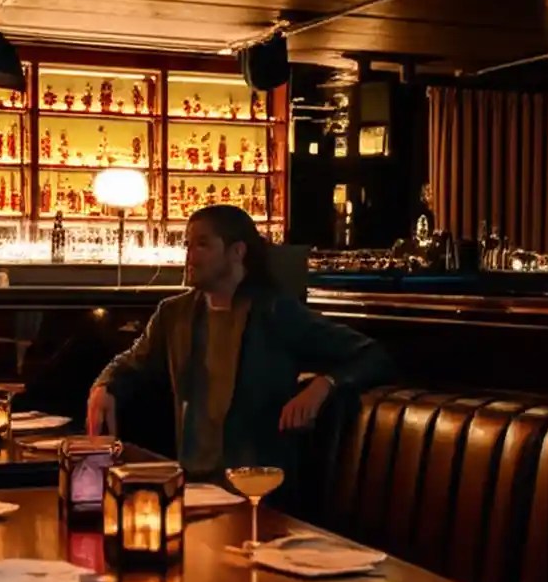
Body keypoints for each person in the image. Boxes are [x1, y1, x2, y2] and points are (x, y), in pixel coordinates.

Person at [87, 204, 393, 488]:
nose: (189, 256)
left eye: (202, 245)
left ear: (237, 252)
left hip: (256, 489)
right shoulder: (174, 314)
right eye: (188, 245)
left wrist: (324, 385)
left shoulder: (274, 312)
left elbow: (372, 354)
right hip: (192, 483)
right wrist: (105, 385)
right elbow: (132, 362)